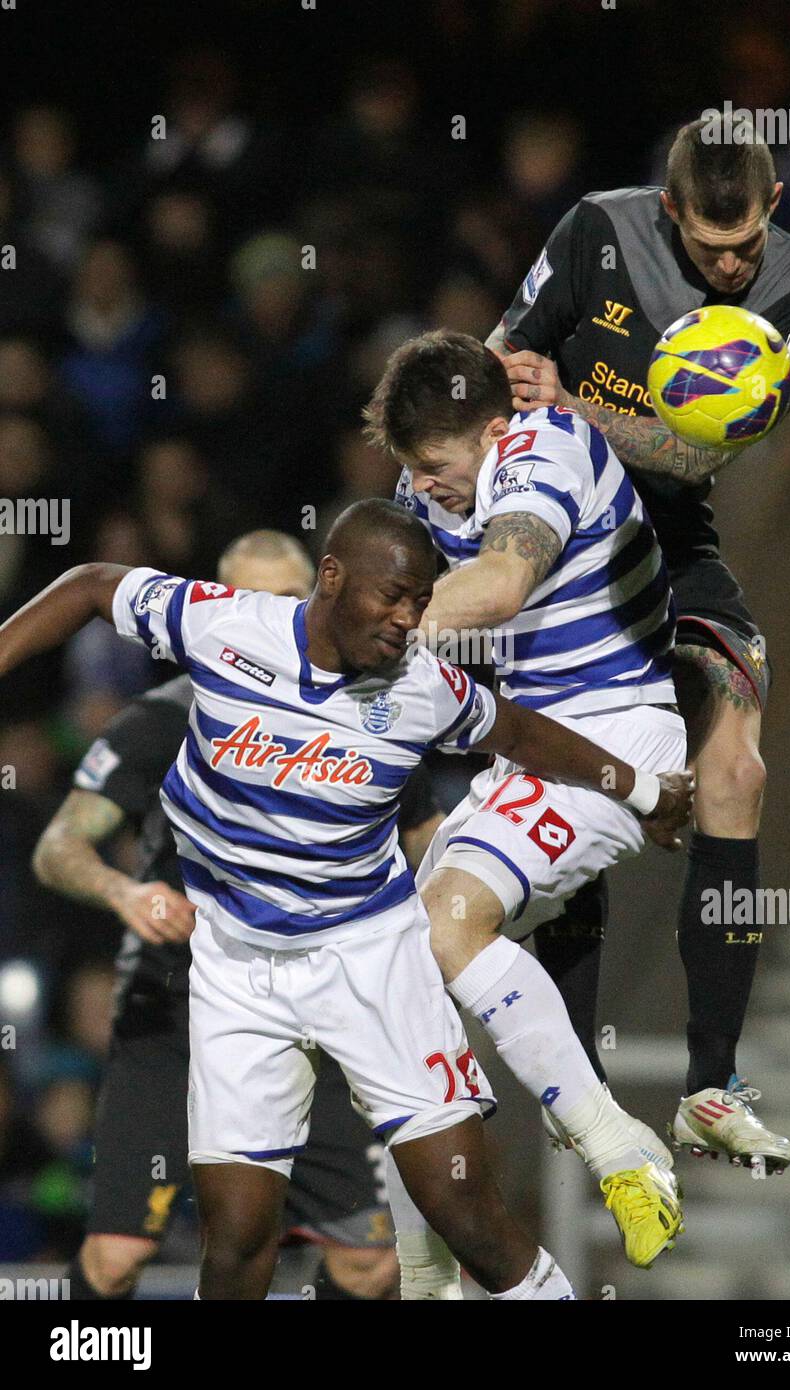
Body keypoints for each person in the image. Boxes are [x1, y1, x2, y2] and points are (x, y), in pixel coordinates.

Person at [0, 500, 691, 1300]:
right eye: (392, 596)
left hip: (369, 960)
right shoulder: (224, 627)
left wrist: (639, 787)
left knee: (464, 1214)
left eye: (421, 602)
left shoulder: (424, 687)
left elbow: (521, 734)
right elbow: (89, 585)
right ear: (330, 578)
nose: (407, 619)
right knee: (235, 1243)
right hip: (234, 967)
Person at [485, 114, 790, 1170]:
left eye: (743, 245)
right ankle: (579, 1096)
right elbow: (504, 363)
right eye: (705, 247)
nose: (729, 266)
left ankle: (709, 1085)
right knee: (580, 791)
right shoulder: (596, 230)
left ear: (770, 208)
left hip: (671, 539)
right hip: (559, 541)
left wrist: (579, 411)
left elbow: (694, 460)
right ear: (666, 210)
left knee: (734, 764)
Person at [32, 529, 439, 1302]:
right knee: (115, 1258)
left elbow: (430, 848)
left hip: (309, 1020)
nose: (269, 615)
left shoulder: (369, 717)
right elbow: (59, 846)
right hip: (172, 1017)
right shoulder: (164, 718)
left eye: (286, 598)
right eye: (250, 597)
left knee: (371, 1263)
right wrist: (126, 893)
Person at [366, 331, 691, 1269]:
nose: (424, 488)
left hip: (612, 734)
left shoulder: (547, 444)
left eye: (435, 465)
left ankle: (617, 1144)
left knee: (447, 922)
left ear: (492, 430)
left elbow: (503, 584)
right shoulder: (426, 495)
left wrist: (376, 624)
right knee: (392, 979)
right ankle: (426, 1265)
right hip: (525, 759)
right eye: (411, 472)